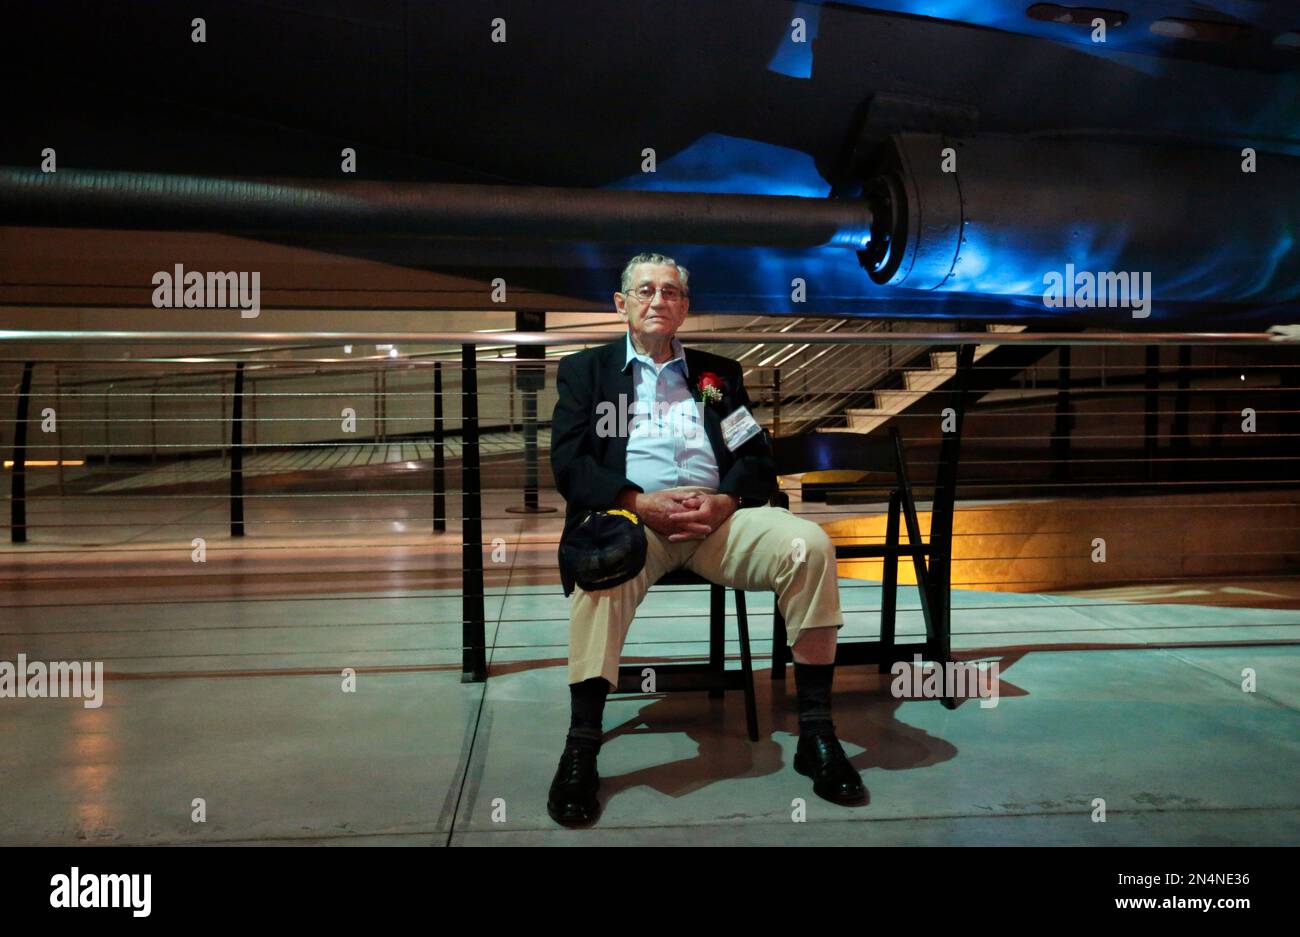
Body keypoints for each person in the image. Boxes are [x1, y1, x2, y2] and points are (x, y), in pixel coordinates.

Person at [547, 251, 864, 826]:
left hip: (719, 521)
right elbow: (569, 465)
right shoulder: (586, 372)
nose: (658, 301)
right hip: (635, 518)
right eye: (645, 291)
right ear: (622, 304)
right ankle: (581, 747)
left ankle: (817, 735)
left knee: (809, 546)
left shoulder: (717, 375)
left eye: (670, 292)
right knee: (602, 567)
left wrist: (725, 501)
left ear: (685, 308)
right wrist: (636, 501)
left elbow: (755, 457)